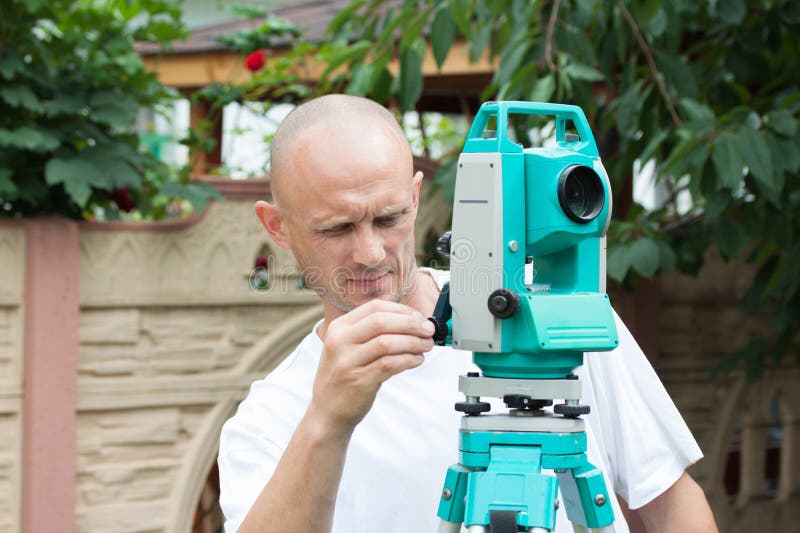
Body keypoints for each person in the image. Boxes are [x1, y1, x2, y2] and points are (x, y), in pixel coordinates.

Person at [217, 94, 718, 533]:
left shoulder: (554, 325)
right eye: (336, 228)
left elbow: (672, 507)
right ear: (277, 227)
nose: (370, 251)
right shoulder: (270, 420)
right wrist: (326, 422)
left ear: (415, 198)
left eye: (389, 218)